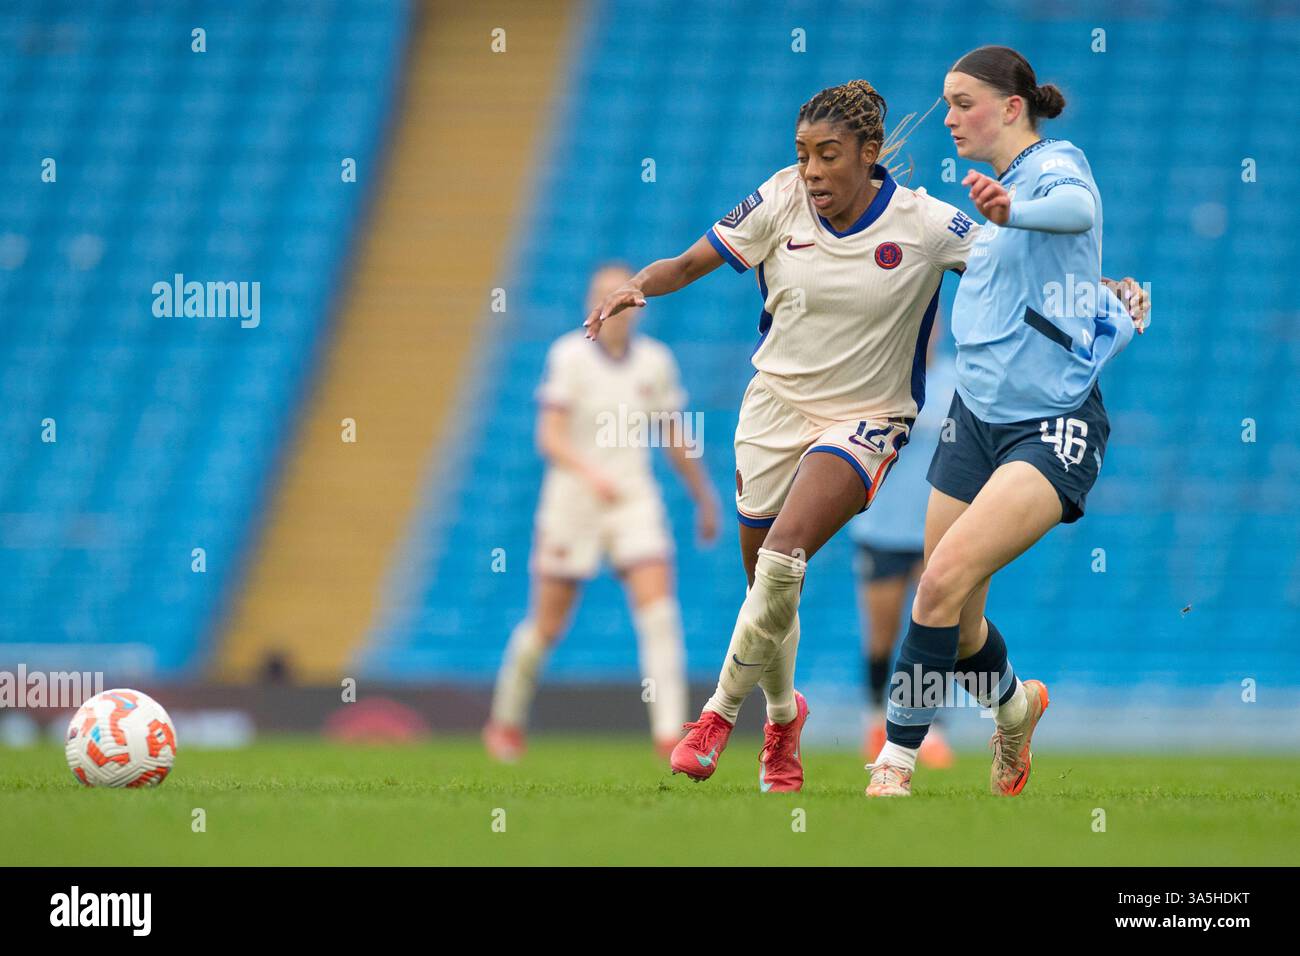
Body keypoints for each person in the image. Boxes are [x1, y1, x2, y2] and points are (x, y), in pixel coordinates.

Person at [586, 80, 984, 793]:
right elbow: (686, 263)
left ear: (869, 155)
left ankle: (714, 716)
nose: (811, 170)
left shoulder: (926, 225)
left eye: (828, 155)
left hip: (866, 419)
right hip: (773, 413)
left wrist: (1097, 287)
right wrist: (638, 284)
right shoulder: (778, 201)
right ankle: (782, 720)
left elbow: (1010, 264)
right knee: (770, 592)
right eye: (802, 154)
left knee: (782, 555)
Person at [864, 46, 1150, 797]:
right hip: (975, 420)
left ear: (1011, 106)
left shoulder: (1053, 167)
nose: (950, 117)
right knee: (956, 626)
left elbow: (1078, 211)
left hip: (1051, 423)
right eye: (947, 103)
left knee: (937, 585)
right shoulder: (983, 206)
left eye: (963, 102)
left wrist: (1012, 209)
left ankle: (895, 763)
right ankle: (1017, 709)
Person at [483, 263, 719, 762]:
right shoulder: (570, 356)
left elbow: (673, 434)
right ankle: (505, 722)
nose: (611, 304)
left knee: (659, 616)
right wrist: (590, 474)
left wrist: (703, 495)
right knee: (546, 625)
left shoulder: (655, 362)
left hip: (633, 498)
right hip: (574, 501)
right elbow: (549, 436)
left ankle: (668, 738)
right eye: (601, 295)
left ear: (635, 303)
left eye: (621, 295)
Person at [849, 335, 957, 769]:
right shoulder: (877, 379)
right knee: (881, 635)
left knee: (933, 628)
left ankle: (930, 729)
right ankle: (874, 718)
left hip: (937, 530)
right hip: (881, 529)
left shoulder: (957, 382)